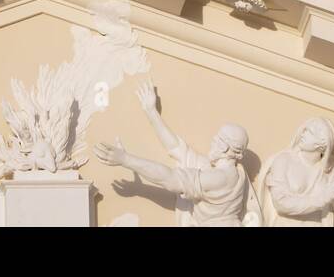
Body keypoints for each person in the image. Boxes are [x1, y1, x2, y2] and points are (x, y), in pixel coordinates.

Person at [94, 82, 259, 228]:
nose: (213, 141)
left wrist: (126, 159)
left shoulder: (219, 178)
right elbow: (177, 148)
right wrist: (152, 113)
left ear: (224, 147)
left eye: (217, 139)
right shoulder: (235, 173)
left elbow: (171, 178)